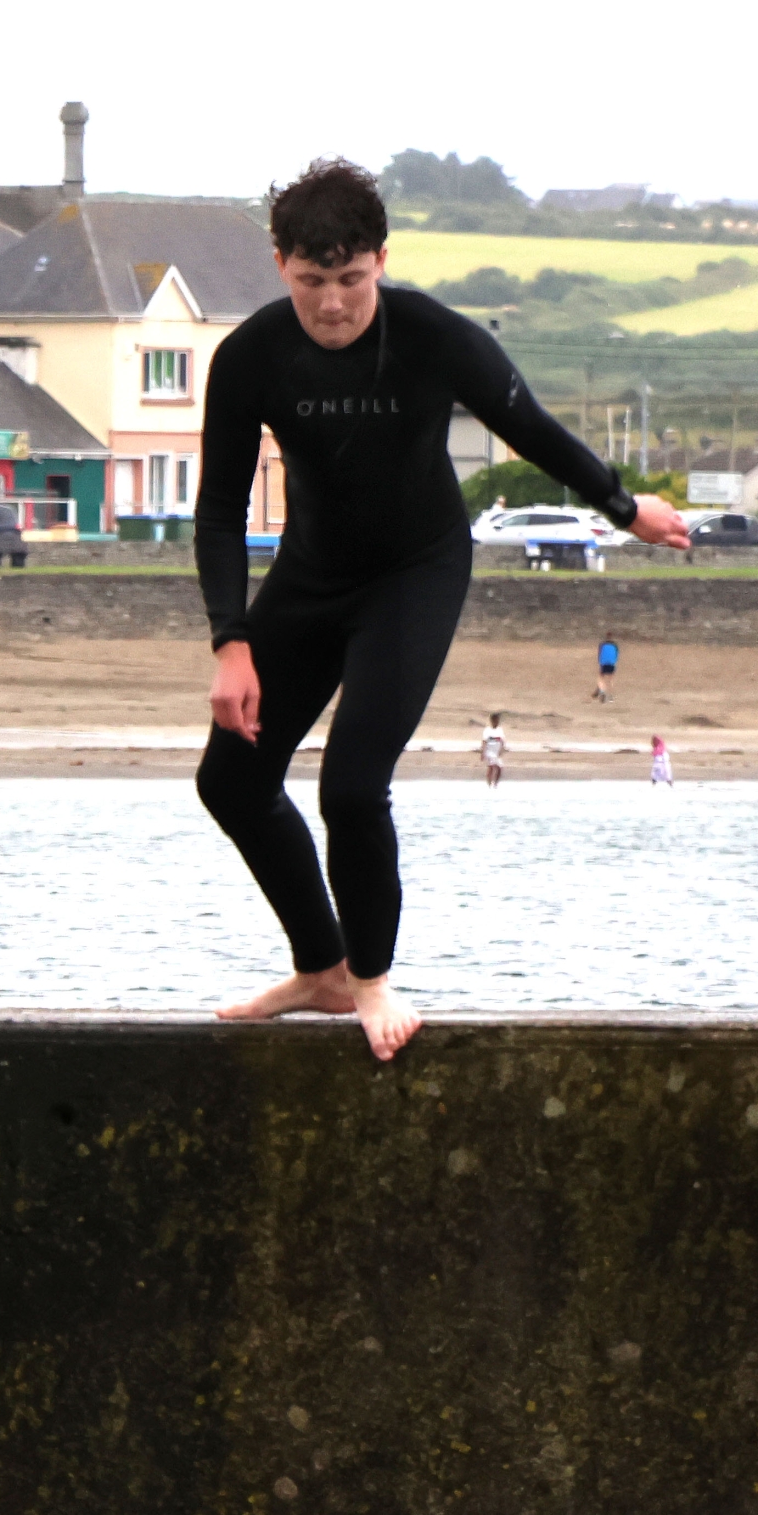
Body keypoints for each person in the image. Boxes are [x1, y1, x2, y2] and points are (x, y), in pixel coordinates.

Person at [193, 159, 689, 1061]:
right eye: (311, 282)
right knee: (230, 781)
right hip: (310, 576)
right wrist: (232, 641)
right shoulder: (251, 357)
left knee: (351, 786)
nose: (333, 304)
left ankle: (372, 978)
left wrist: (626, 509)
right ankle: (321, 969)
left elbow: (533, 431)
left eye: (352, 280)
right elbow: (221, 507)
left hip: (414, 574)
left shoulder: (432, 337)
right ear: (280, 266)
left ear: (382, 261)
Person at [481, 713, 506, 789]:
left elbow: (502, 741)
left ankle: (495, 784)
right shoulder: (487, 730)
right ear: (492, 720)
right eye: (495, 720)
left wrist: (501, 750)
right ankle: (489, 784)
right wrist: (483, 752)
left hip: (497, 752)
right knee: (491, 767)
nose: (496, 722)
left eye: (497, 720)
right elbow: (484, 742)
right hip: (489, 752)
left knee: (499, 768)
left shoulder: (500, 730)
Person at [595, 631, 619, 702]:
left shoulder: (602, 644)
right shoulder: (615, 645)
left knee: (601, 678)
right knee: (611, 680)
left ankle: (602, 691)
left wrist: (600, 661)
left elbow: (599, 654)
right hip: (611, 663)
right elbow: (616, 655)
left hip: (603, 663)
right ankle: (611, 696)